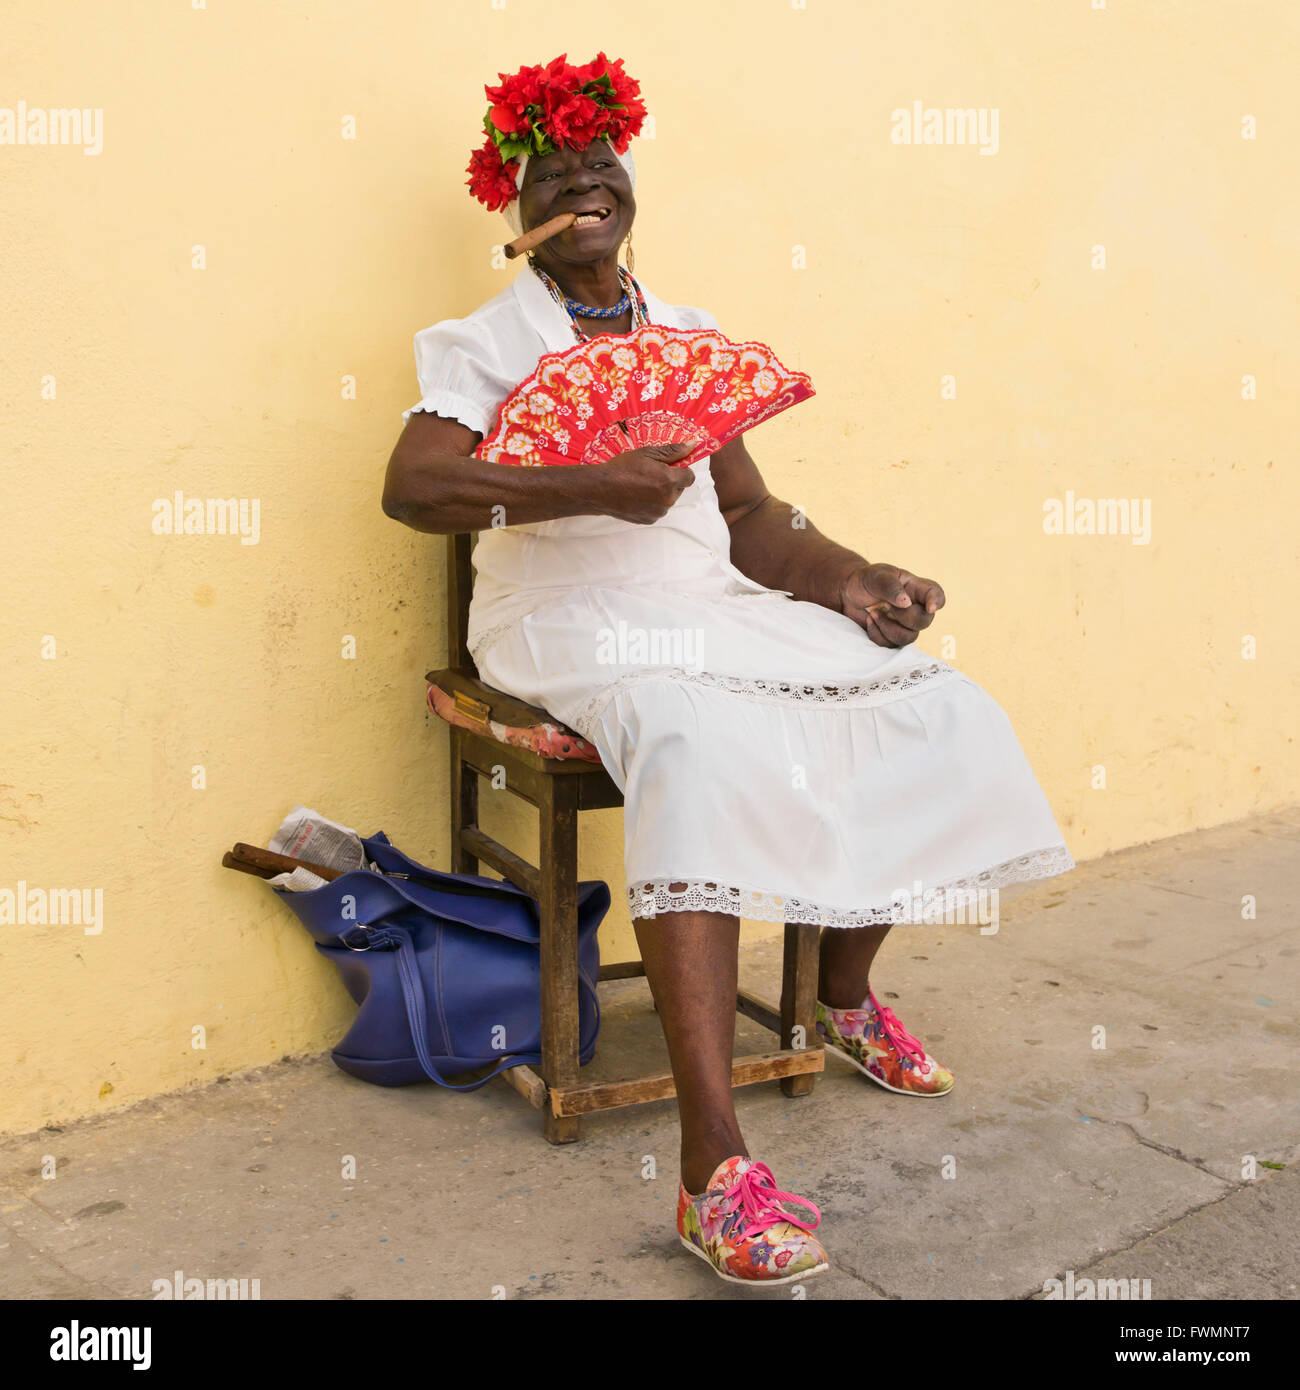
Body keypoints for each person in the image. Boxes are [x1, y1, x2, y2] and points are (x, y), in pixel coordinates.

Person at [383, 53, 1073, 1287]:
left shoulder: (689, 339)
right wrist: (588, 483)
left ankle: (845, 996)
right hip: (567, 617)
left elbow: (750, 518)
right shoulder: (481, 341)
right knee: (696, 741)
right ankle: (713, 1171)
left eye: (605, 156)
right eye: (557, 162)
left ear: (629, 188)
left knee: (925, 698)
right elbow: (414, 489)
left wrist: (856, 577)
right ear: (520, 207)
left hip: (708, 600)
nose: (587, 172)